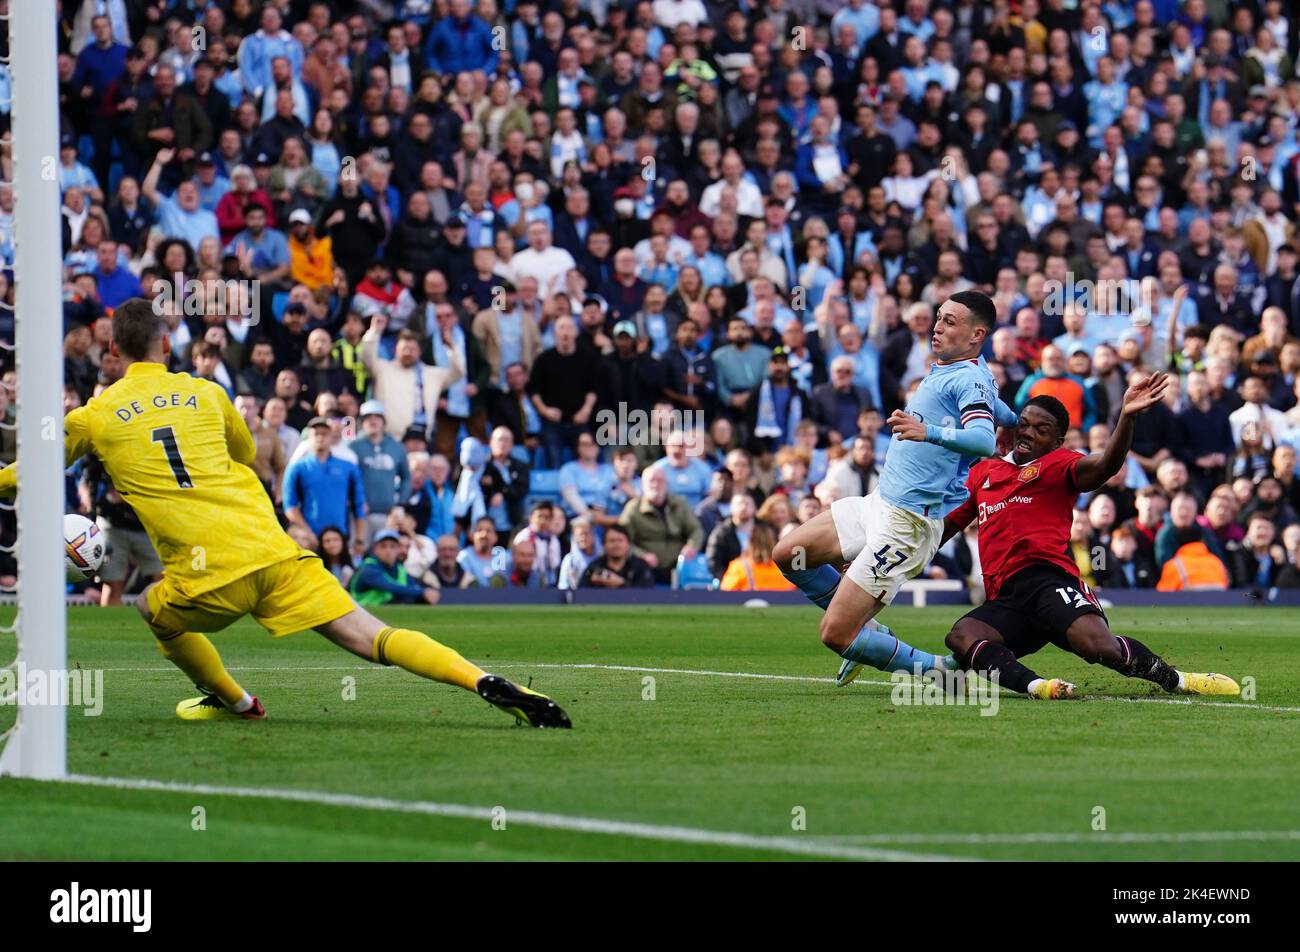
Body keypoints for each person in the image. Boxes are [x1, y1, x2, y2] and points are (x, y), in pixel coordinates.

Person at [0, 299, 569, 729]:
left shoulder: (95, 415)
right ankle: (481, 679)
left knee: (152, 607)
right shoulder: (207, 393)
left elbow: (30, 470)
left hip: (206, 576)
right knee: (374, 635)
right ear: (167, 344)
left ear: (113, 351)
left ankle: (234, 700)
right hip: (273, 551)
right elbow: (246, 451)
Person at [773, 290, 1019, 686]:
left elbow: (982, 440)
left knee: (835, 634)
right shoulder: (972, 368)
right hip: (879, 503)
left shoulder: (968, 377)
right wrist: (1010, 419)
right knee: (789, 555)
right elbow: (992, 405)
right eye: (938, 317)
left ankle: (939, 672)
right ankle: (869, 631)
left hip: (907, 524)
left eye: (950, 322)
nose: (937, 327)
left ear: (977, 335)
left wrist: (927, 431)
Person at [941, 385, 1239, 699]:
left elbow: (1105, 465)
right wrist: (912, 559)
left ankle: (1179, 680)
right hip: (1005, 596)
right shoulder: (983, 473)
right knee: (961, 636)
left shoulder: (1059, 464)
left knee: (1099, 646)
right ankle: (1038, 687)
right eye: (1024, 424)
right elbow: (948, 525)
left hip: (1048, 581)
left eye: (1041, 430)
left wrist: (1126, 418)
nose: (1028, 433)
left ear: (1057, 442)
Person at [349, 530, 438, 606]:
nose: (388, 550)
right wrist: (423, 592)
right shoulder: (368, 568)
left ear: (398, 549)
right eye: (383, 546)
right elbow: (390, 587)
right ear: (375, 549)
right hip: (362, 614)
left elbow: (413, 586)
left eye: (392, 546)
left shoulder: (400, 569)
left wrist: (426, 592)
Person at [719, 523, 796, 592]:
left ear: (750, 542)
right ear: (772, 542)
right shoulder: (785, 568)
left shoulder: (739, 567)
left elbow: (725, 594)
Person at [579, 524, 656, 588]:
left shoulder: (641, 567)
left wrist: (621, 584)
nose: (616, 545)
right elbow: (581, 592)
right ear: (604, 545)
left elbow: (647, 594)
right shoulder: (593, 568)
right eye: (612, 541)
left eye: (620, 540)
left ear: (628, 545)